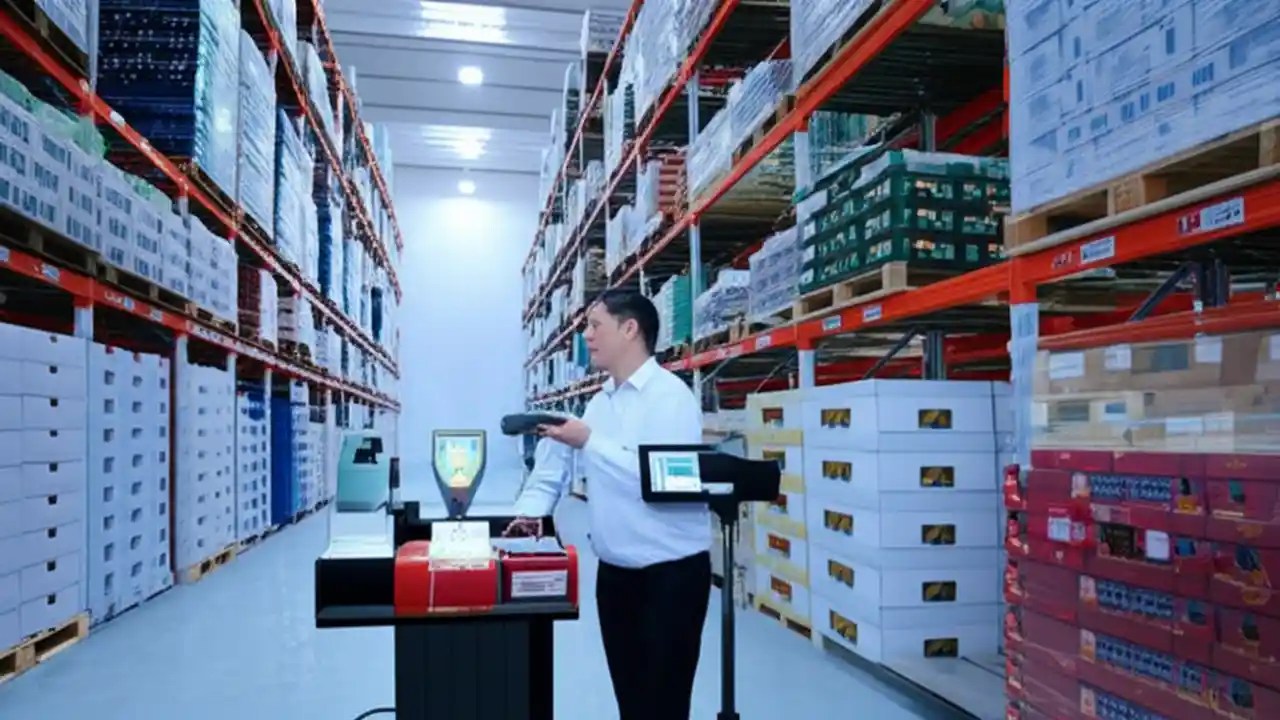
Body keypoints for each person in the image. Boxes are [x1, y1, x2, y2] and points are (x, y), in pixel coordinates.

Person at [506, 289, 710, 720]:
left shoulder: (670, 398)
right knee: (631, 702)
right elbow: (558, 461)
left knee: (664, 705)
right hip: (617, 578)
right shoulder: (600, 402)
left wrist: (589, 441)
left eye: (596, 325)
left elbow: (662, 480)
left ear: (630, 328)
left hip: (669, 579)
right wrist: (532, 511)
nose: (587, 336)